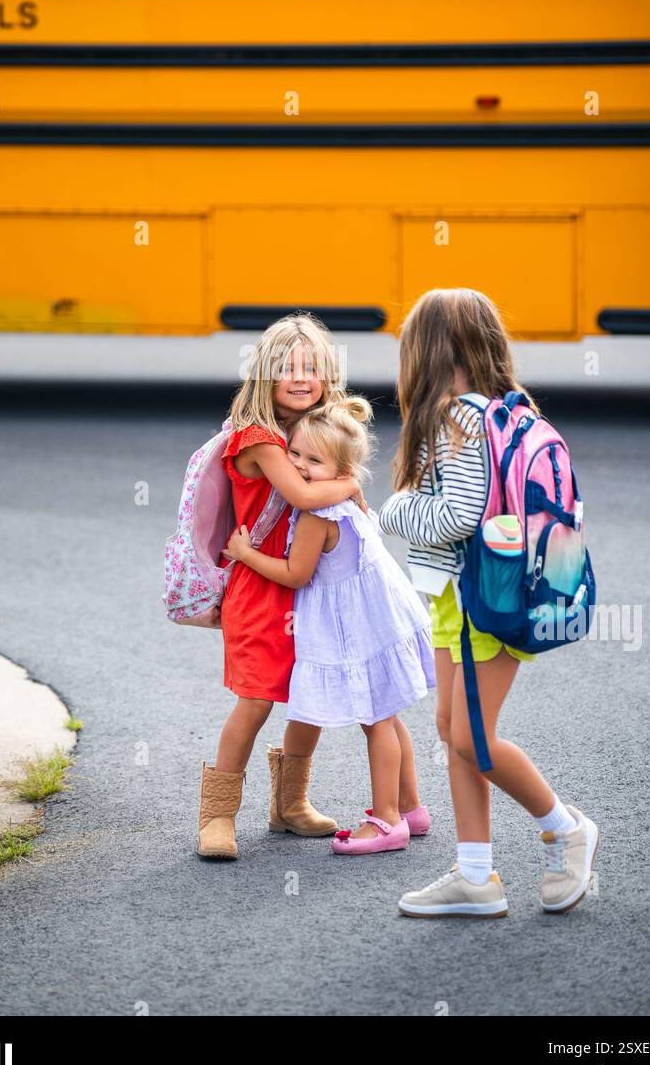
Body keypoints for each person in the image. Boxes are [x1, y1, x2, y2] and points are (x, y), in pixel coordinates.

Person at [379, 288, 600, 915]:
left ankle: (564, 827)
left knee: (472, 736)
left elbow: (459, 514)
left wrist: (390, 510)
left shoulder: (456, 420)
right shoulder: (501, 409)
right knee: (454, 731)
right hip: (467, 593)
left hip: (481, 594)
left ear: (425, 352)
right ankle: (475, 874)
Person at [224, 396, 434, 856]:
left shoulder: (317, 514)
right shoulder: (347, 498)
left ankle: (387, 822)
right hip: (382, 619)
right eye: (295, 453)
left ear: (343, 470)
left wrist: (246, 555)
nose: (298, 466)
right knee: (388, 715)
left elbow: (295, 574)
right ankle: (411, 808)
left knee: (376, 720)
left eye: (313, 461)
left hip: (354, 628)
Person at [197, 313, 361, 861]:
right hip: (259, 588)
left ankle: (290, 804)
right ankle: (217, 816)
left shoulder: (308, 435)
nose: (300, 376)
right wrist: (352, 478)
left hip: (306, 584)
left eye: (312, 367)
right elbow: (304, 496)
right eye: (286, 366)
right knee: (256, 700)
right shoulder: (260, 439)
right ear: (262, 375)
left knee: (310, 695)